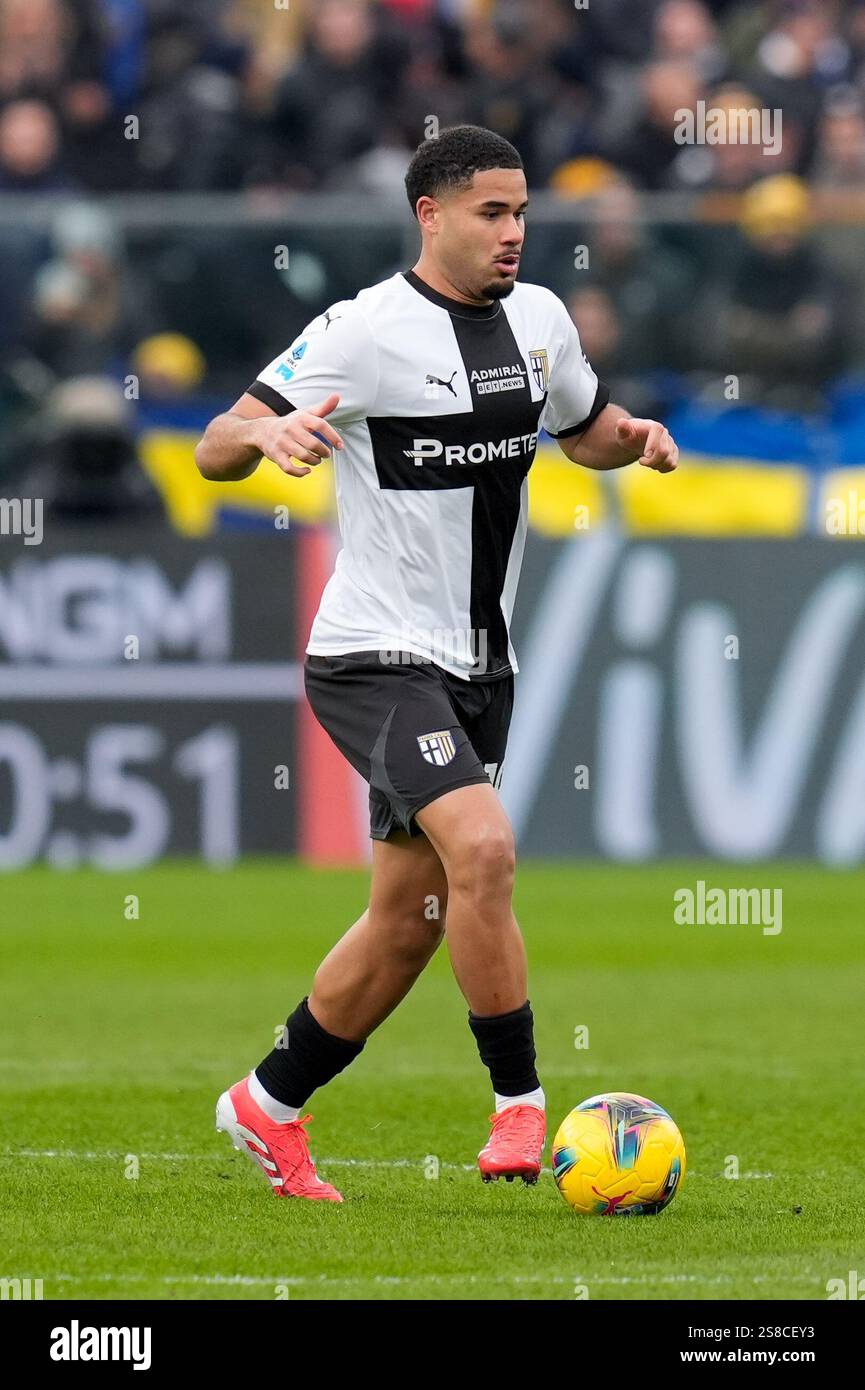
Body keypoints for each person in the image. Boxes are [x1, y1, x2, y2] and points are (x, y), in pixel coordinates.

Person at [195, 125, 678, 1203]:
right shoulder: (364, 331)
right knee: (485, 848)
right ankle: (520, 1107)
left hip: (477, 665)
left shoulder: (540, 322)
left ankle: (267, 1104)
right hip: (371, 653)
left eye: (520, 214)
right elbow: (214, 442)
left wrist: (630, 433)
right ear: (431, 215)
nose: (513, 233)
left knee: (407, 922)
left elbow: (580, 426)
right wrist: (261, 440)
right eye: (491, 214)